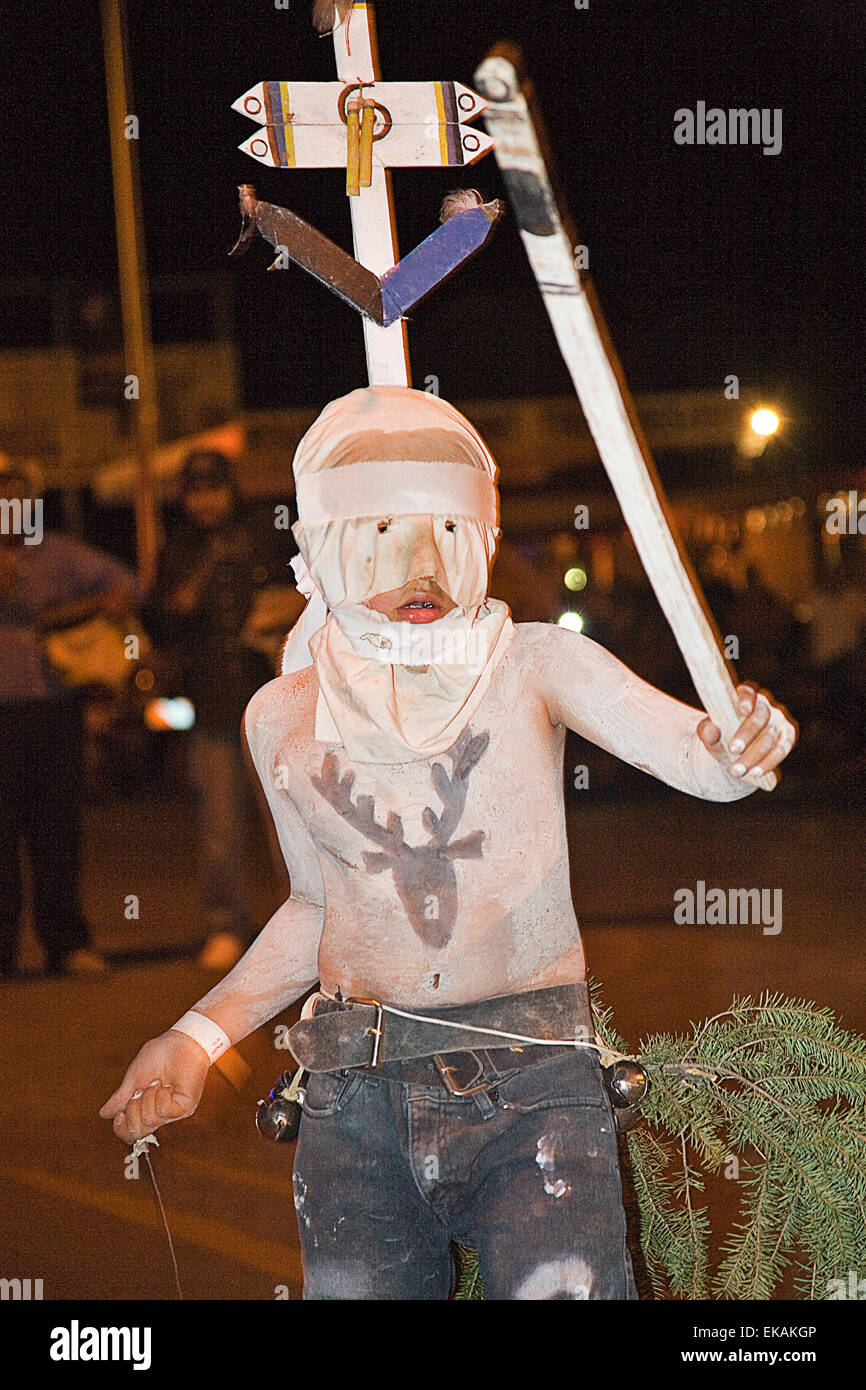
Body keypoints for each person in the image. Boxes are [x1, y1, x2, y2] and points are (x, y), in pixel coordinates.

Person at [101, 388, 796, 1299]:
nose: (422, 563)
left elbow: (698, 755)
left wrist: (739, 745)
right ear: (323, 547)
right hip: (353, 1097)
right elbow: (317, 904)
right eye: (385, 532)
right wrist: (197, 1036)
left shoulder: (534, 663)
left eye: (450, 531)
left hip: (533, 1092)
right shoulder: (281, 714)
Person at [151, 450, 302, 971]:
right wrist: (179, 603)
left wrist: (284, 606)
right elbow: (157, 620)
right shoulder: (178, 548)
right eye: (195, 491)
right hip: (213, 704)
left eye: (213, 488)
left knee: (293, 822)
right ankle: (225, 926)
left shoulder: (267, 532)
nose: (205, 501)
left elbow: (310, 591)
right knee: (219, 827)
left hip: (274, 699)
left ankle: (305, 924)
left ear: (230, 488)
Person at [0, 458, 138, 978]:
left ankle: (65, 942)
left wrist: (87, 607)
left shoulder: (57, 553)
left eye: (21, 499)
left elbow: (126, 584)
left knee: (56, 830)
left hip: (54, 709)